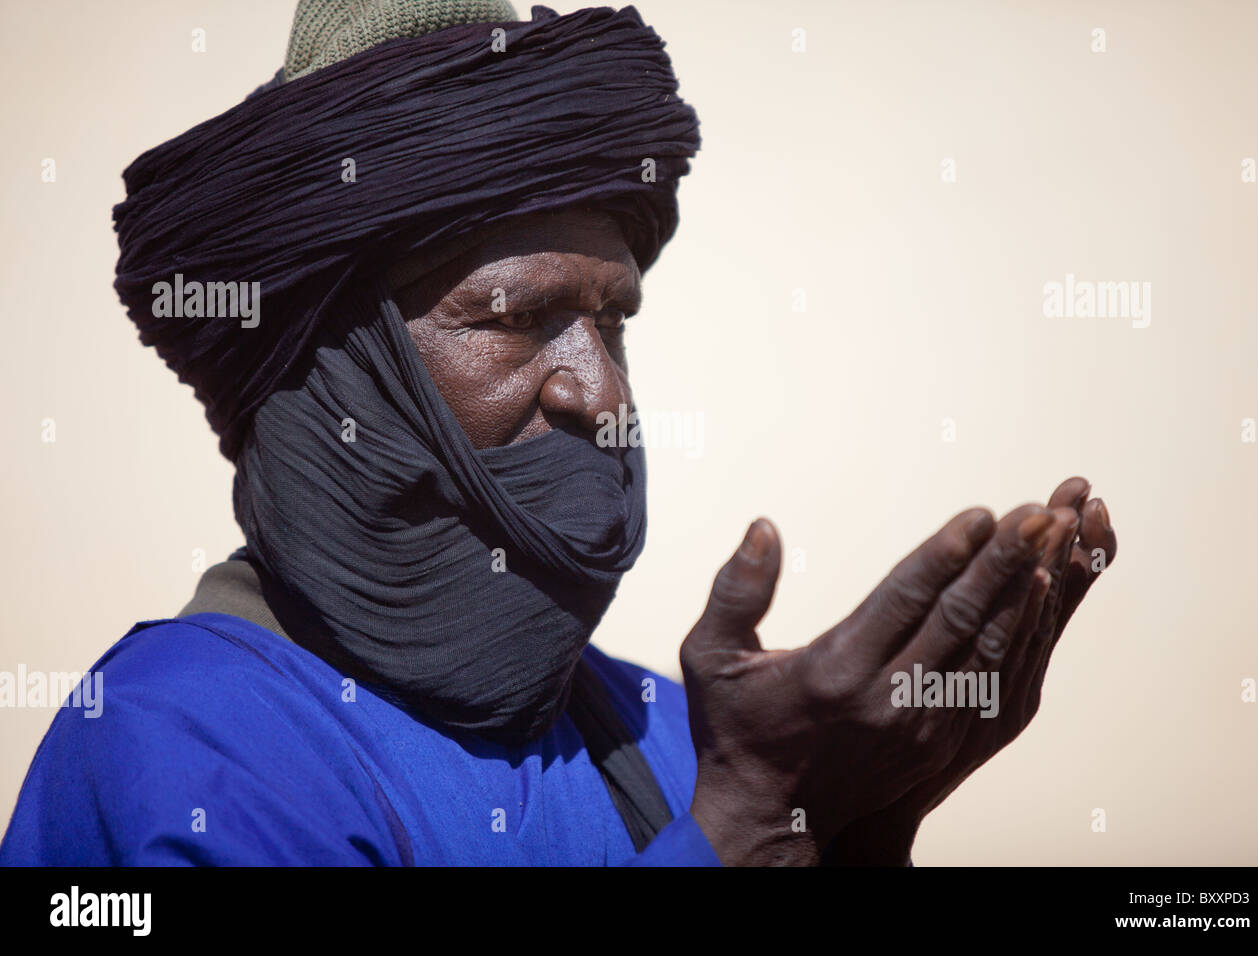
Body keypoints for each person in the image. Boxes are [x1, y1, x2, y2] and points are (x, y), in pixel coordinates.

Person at [0, 0, 1116, 867]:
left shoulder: (670, 734)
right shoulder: (182, 743)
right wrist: (736, 832)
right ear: (332, 368)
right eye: (521, 319)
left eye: (612, 320)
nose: (601, 392)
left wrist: (851, 828)